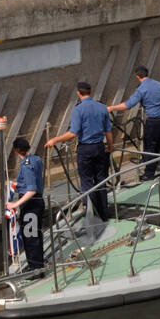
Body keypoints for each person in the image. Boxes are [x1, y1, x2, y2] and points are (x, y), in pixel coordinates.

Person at [44, 80, 114, 220]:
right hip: (100, 147)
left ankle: (91, 214)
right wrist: (110, 147)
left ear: (78, 93)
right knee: (101, 179)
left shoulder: (78, 110)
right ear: (91, 91)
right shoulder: (102, 107)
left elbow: (73, 133)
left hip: (85, 149)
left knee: (87, 182)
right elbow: (108, 131)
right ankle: (104, 213)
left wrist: (54, 140)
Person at [110, 66, 160, 180]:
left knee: (149, 147)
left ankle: (149, 174)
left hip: (154, 120)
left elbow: (127, 105)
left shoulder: (141, 89)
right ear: (147, 74)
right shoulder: (159, 85)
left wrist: (111, 108)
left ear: (137, 76)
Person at [5, 136, 46, 270]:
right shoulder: (36, 159)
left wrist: (14, 204)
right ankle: (37, 264)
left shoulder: (26, 166)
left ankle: (36, 269)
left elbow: (32, 190)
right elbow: (33, 181)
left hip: (31, 205)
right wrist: (18, 184)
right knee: (34, 235)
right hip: (37, 202)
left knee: (30, 237)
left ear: (16, 151)